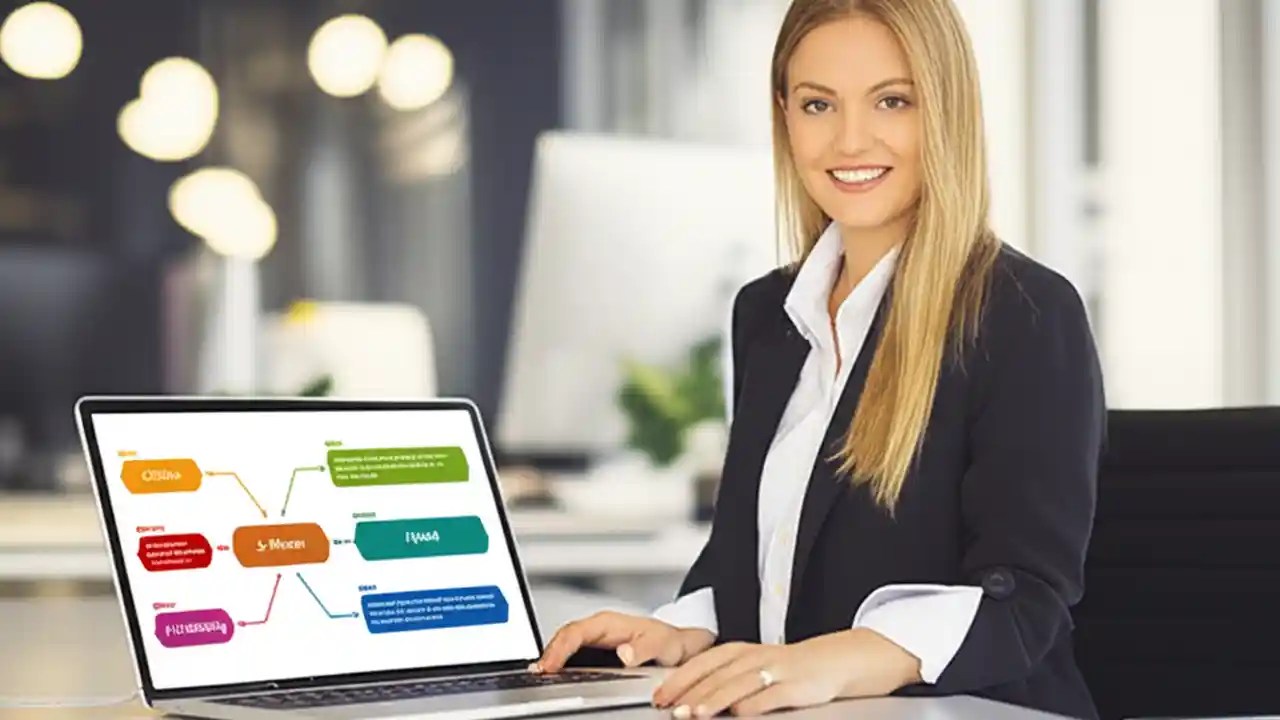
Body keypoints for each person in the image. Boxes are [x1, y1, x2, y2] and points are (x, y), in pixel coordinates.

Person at [532, 0, 1105, 717]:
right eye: (817, 104)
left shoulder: (1022, 314)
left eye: (892, 101)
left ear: (946, 111)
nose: (850, 139)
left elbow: (1023, 599)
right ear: (784, 116)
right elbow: (757, 560)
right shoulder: (769, 315)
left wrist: (829, 662)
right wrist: (679, 630)